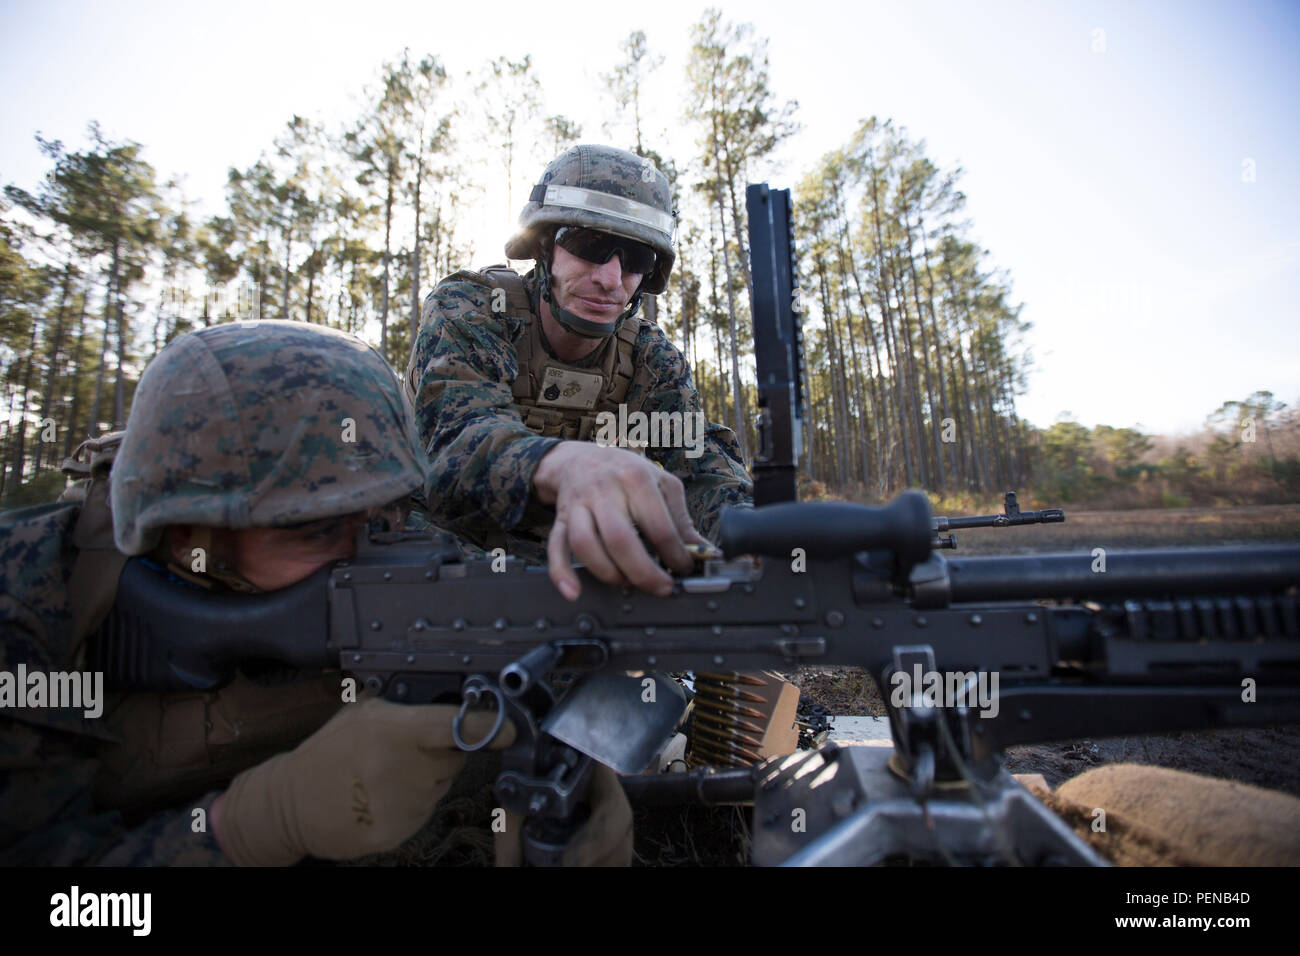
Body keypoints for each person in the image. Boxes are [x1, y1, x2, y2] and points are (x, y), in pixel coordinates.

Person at [0, 320, 629, 866]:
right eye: (319, 529)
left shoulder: (395, 551)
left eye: (386, 515)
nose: (370, 557)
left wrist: (563, 764)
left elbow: (531, 630)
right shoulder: (26, 608)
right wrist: (250, 827)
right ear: (190, 535)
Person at [406, 144, 753, 602]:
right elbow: (459, 437)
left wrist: (748, 532)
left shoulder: (649, 356)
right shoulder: (474, 309)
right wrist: (561, 464)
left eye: (635, 260)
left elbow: (698, 461)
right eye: (589, 246)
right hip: (448, 543)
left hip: (573, 552)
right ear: (544, 245)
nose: (610, 279)